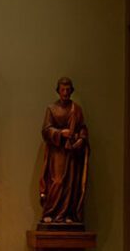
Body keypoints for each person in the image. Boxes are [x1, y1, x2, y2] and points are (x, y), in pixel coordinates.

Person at [39, 77, 89, 225]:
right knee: (57, 181)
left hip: (72, 151)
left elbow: (82, 129)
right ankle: (50, 212)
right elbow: (45, 130)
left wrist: (81, 139)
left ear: (71, 91)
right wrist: (61, 133)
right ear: (58, 91)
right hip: (58, 152)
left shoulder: (76, 109)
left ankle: (69, 214)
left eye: (68, 90)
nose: (66, 93)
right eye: (63, 90)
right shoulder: (52, 109)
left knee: (71, 183)